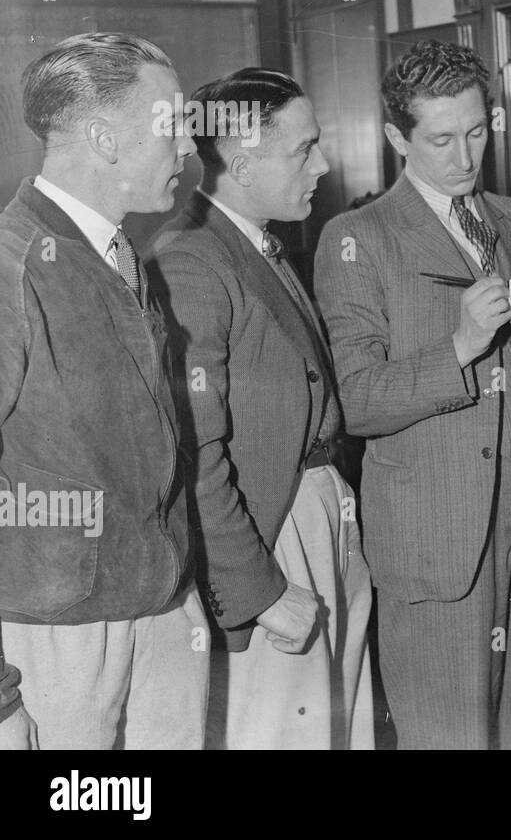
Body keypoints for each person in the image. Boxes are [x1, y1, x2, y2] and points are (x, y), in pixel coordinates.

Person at [314, 40, 511, 750]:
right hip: (437, 536)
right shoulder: (357, 239)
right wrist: (462, 346)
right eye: (440, 140)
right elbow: (357, 400)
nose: (465, 158)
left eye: (477, 132)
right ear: (395, 139)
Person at [147, 68, 374, 749]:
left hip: (317, 508)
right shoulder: (191, 259)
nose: (324, 164)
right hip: (272, 533)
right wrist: (259, 593)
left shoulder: (257, 241)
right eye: (304, 148)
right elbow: (194, 453)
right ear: (242, 161)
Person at [0, 32, 206, 750]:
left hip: (158, 608)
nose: (187, 145)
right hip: (54, 640)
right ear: (102, 138)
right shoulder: (11, 264)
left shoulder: (120, 253)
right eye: (171, 123)